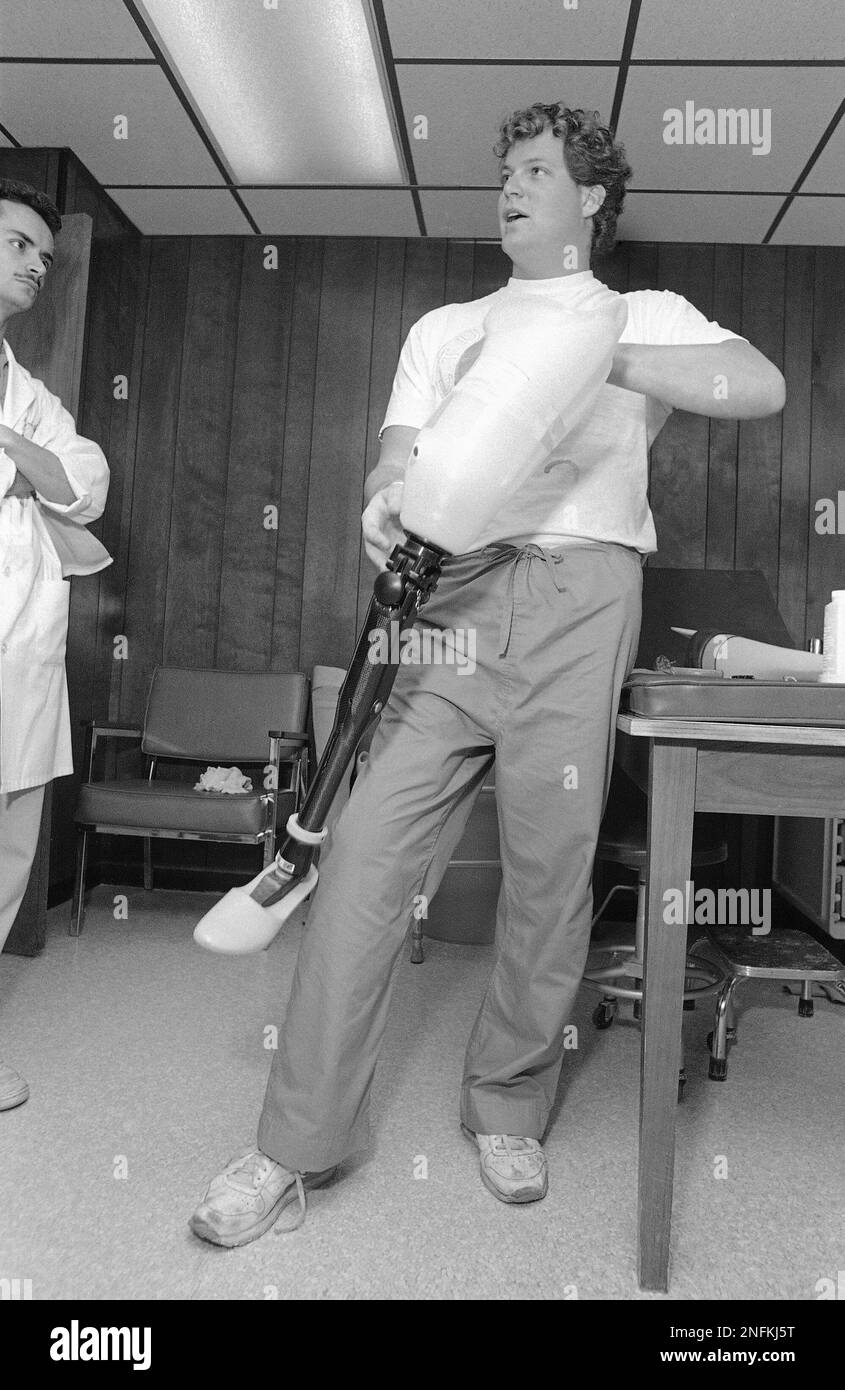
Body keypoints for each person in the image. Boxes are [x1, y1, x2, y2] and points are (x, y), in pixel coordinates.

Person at [189, 103, 785, 1245]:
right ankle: (290, 1145)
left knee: (547, 870)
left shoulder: (636, 310)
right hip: (449, 605)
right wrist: (381, 492)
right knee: (361, 853)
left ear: (591, 199)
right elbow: (400, 448)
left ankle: (505, 1102)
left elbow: (755, 385)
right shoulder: (447, 324)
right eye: (502, 170)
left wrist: (588, 351)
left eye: (536, 170)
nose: (509, 187)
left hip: (581, 597)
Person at [0, 179, 110, 1111]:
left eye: (43, 250)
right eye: (20, 244)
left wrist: (11, 445)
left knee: (6, 853)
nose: (40, 263)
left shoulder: (29, 394)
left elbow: (83, 483)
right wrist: (26, 468)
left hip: (19, 654)